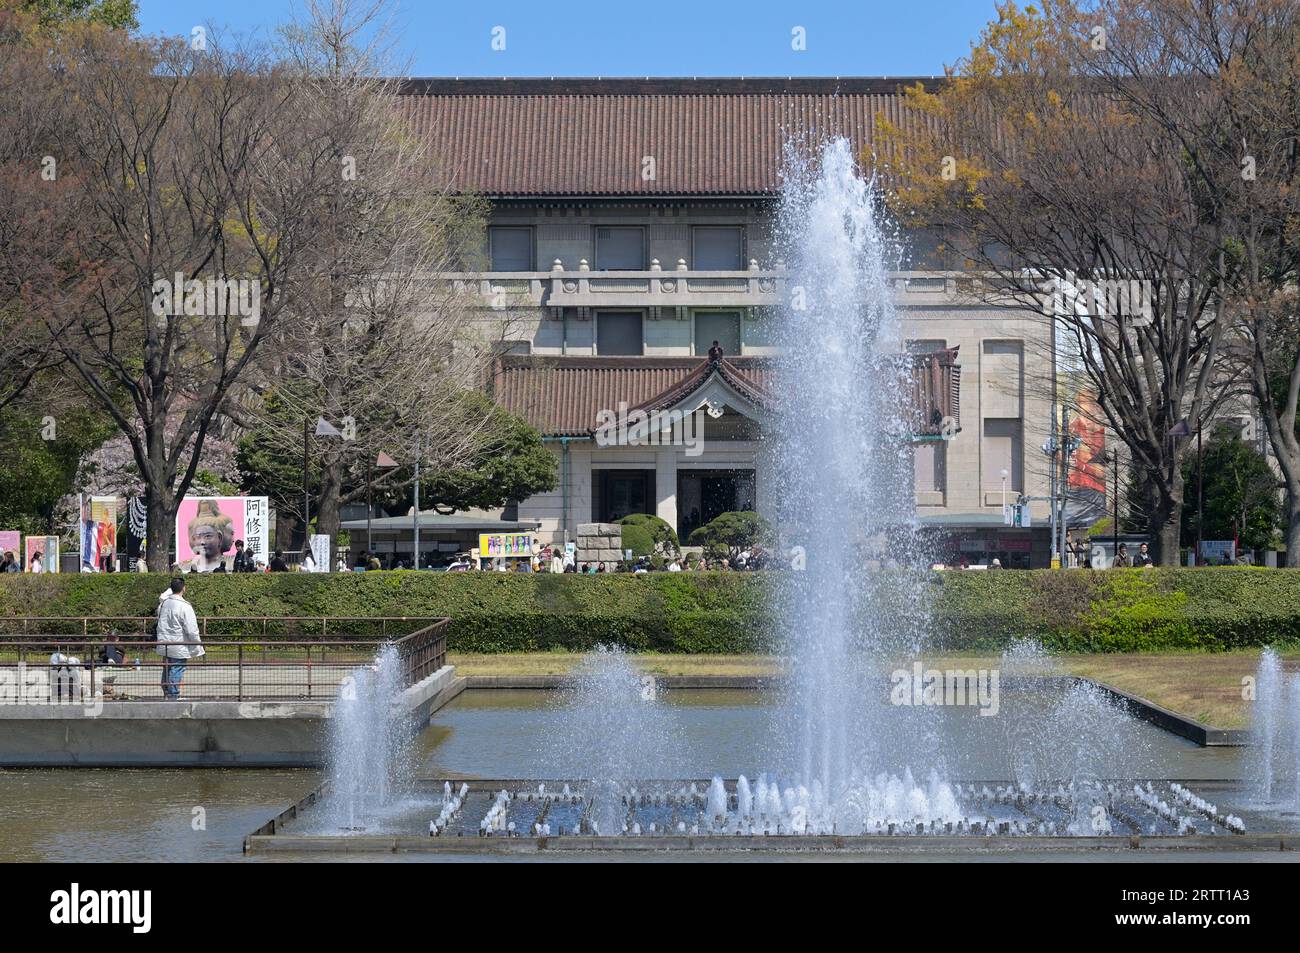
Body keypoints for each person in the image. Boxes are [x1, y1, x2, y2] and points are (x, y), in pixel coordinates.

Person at [156, 577, 203, 700]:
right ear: (184, 588)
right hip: (179, 643)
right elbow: (191, 628)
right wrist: (197, 643)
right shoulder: (184, 606)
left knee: (167, 667)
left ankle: (167, 692)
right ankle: (173, 695)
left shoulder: (164, 604)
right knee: (177, 668)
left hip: (164, 642)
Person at [184, 499, 233, 572]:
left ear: (219, 538)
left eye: (208, 536)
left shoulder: (231, 564)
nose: (202, 542)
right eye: (198, 537)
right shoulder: (188, 566)